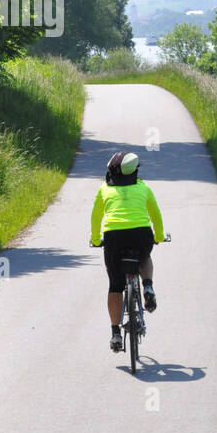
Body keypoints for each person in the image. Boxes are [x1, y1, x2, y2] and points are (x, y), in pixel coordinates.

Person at [90, 151, 165, 352]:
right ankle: (147, 285)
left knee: (115, 285)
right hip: (140, 233)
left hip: (114, 236)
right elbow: (155, 214)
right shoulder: (143, 187)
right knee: (145, 257)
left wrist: (96, 240)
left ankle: (115, 333)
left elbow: (96, 217)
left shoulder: (104, 190)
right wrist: (159, 237)